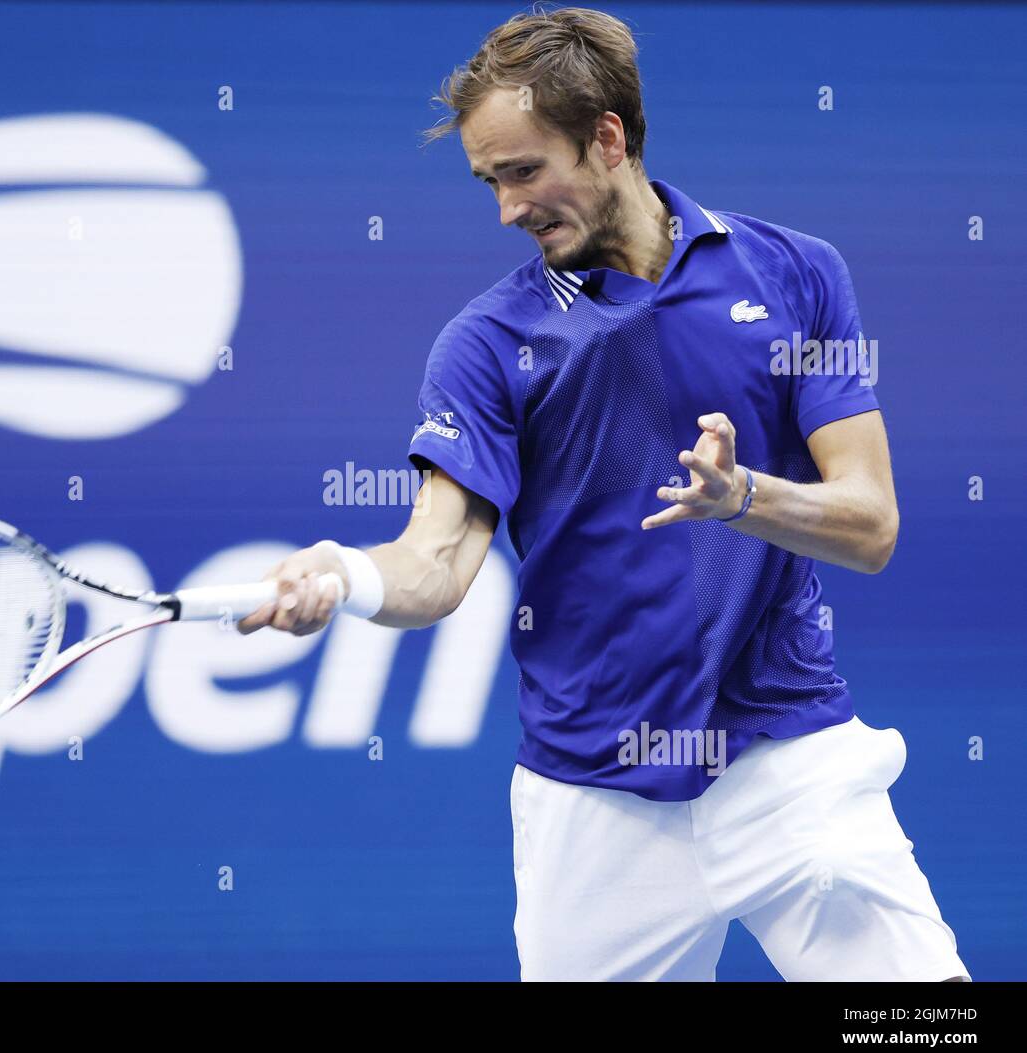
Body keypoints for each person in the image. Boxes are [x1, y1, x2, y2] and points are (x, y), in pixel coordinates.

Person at [239, 6, 969, 982]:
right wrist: (342, 576)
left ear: (609, 138)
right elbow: (436, 564)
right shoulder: (486, 345)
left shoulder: (797, 275)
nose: (507, 209)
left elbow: (871, 524)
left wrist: (743, 495)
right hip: (591, 798)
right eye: (489, 182)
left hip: (787, 761)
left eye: (523, 171)